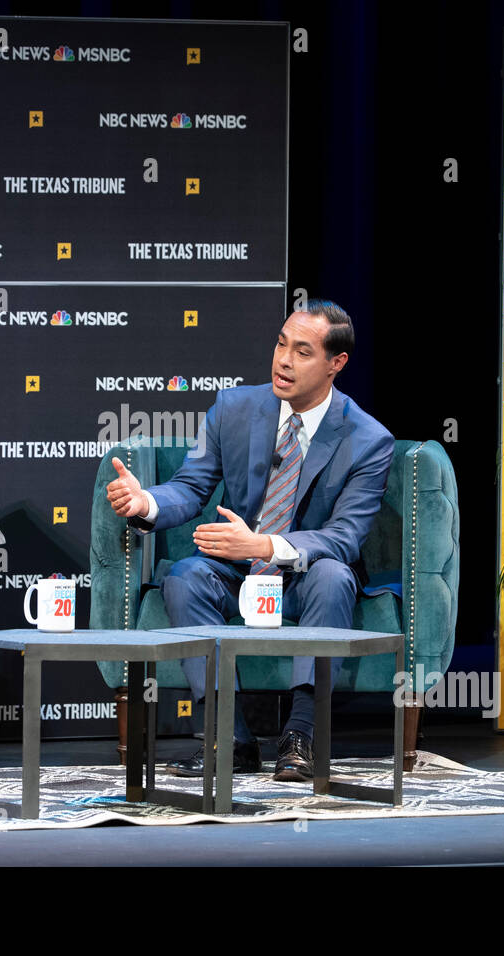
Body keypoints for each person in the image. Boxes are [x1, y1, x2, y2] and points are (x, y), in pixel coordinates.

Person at [105, 301, 394, 781]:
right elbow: (191, 486)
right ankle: (229, 739)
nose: (283, 360)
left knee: (331, 574)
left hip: (304, 574)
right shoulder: (234, 408)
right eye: (282, 343)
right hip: (237, 573)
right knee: (184, 577)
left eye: (302, 352)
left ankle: (300, 736)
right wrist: (146, 504)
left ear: (335, 364)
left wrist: (263, 546)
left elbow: (344, 537)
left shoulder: (367, 439)